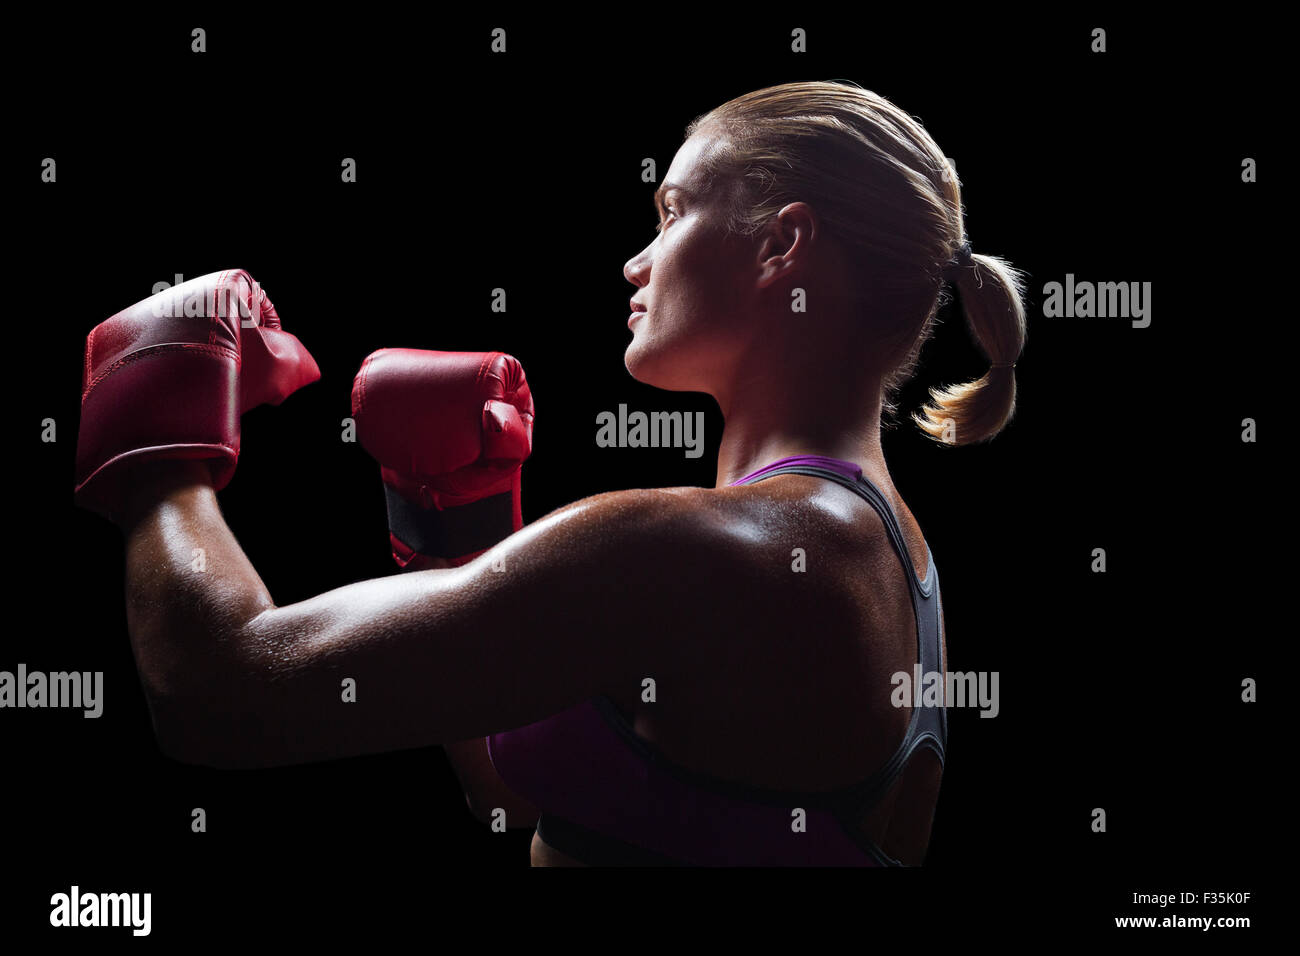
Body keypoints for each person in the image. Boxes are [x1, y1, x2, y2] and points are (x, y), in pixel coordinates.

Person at [78, 81, 1027, 866]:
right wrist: (452, 529)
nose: (636, 260)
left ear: (783, 246)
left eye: (671, 212)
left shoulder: (716, 550)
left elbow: (217, 691)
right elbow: (520, 796)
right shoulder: (893, 557)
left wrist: (157, 443)